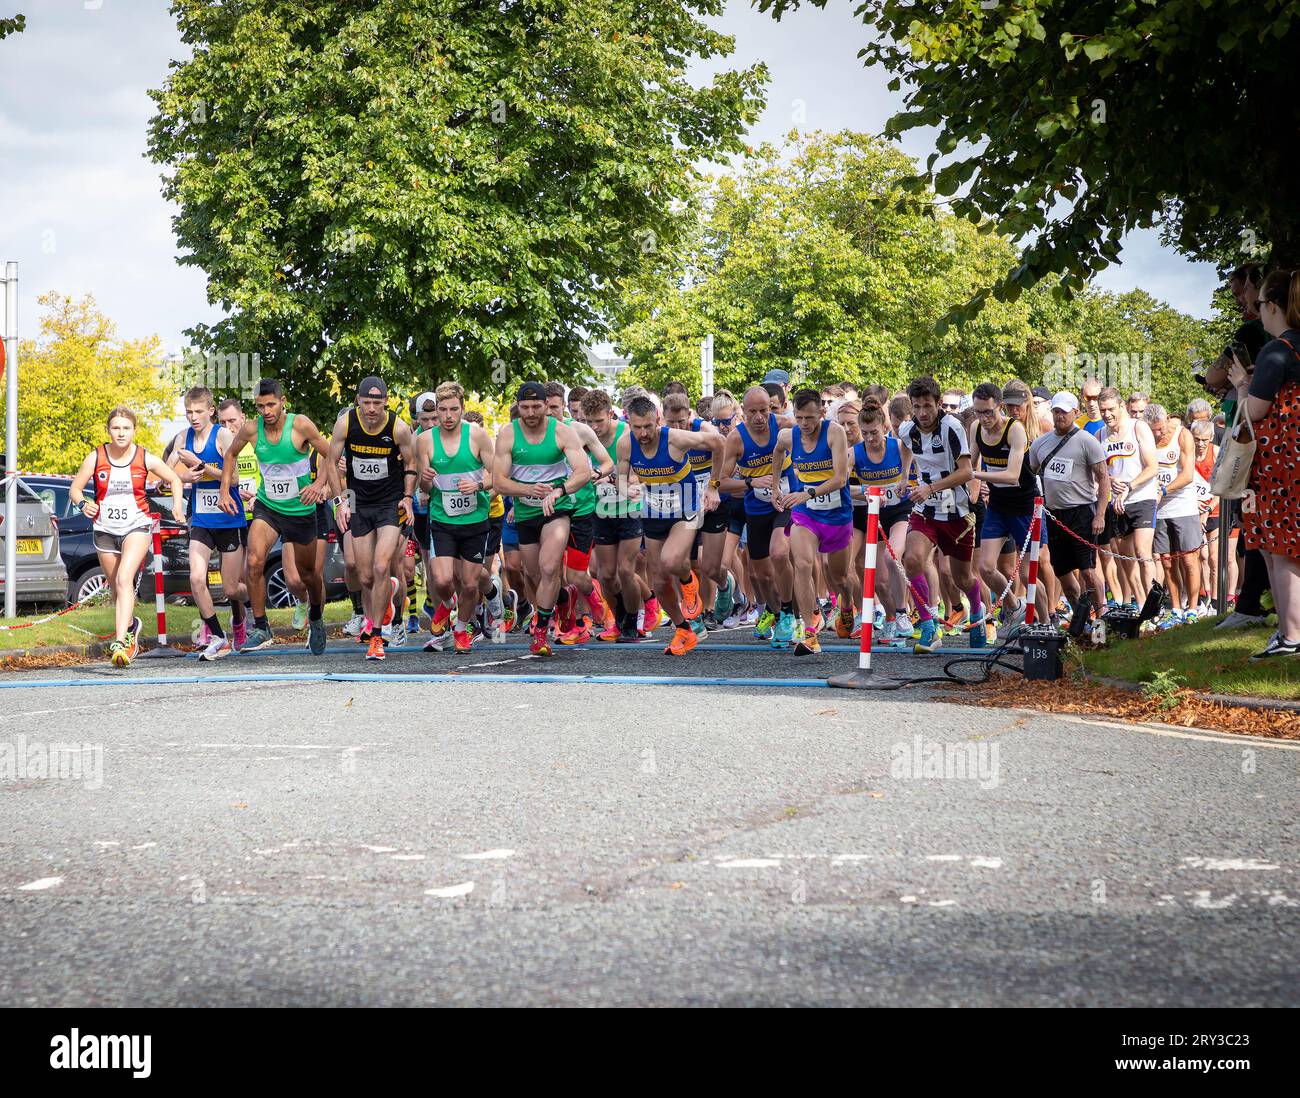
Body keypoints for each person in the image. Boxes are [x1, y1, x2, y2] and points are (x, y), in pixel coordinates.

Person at [219, 379, 339, 654]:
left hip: (301, 511)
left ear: (282, 401)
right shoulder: (251, 430)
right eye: (261, 406)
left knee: (309, 576)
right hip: (269, 506)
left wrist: (319, 485)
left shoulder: (300, 425)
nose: (266, 411)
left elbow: (330, 454)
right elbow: (230, 455)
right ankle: (261, 627)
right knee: (254, 561)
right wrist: (225, 491)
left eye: (271, 404)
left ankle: (317, 616)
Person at [69, 405, 186, 667]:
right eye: (116, 428)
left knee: (124, 579)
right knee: (117, 588)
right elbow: (75, 489)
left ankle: (120, 643)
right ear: (109, 430)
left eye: (126, 428)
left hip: (137, 525)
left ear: (134, 430)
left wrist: (177, 505)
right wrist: (83, 504)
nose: (121, 433)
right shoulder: (96, 457)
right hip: (105, 529)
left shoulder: (144, 457)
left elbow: (175, 480)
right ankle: (132, 626)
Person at [1227, 268, 1300, 660]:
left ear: (1272, 305)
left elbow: (1252, 412)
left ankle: (1291, 634)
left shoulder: (1277, 350)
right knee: (1285, 545)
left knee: (1279, 546)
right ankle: (1289, 630)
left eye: (1258, 304)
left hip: (1279, 464)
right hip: (1293, 461)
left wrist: (1242, 384)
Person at [492, 381, 592, 656]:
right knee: (532, 574)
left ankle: (540, 632)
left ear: (547, 406)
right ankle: (563, 600)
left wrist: (559, 490)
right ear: (519, 408)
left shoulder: (561, 431)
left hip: (556, 509)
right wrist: (527, 490)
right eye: (525, 407)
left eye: (537, 406)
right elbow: (498, 482)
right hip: (526, 511)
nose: (531, 412)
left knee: (549, 568)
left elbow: (583, 471)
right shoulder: (508, 434)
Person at [619, 394, 722, 655]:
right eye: (637, 427)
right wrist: (625, 489)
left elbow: (719, 443)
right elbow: (620, 478)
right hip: (654, 512)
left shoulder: (675, 439)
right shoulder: (625, 444)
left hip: (685, 508)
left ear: (658, 420)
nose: (643, 433)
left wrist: (713, 486)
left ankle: (689, 585)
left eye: (648, 426)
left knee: (671, 561)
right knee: (661, 581)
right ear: (629, 423)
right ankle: (683, 629)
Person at [328, 377, 418, 661]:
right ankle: (389, 589)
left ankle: (377, 636)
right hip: (358, 503)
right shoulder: (346, 423)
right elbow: (330, 462)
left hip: (389, 504)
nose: (370, 408)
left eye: (376, 403)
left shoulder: (398, 427)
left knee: (381, 566)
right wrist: (340, 501)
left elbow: (411, 463)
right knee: (366, 575)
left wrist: (407, 496)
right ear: (358, 400)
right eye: (366, 402)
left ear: (385, 402)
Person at [771, 389, 854, 654]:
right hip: (805, 513)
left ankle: (847, 604)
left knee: (839, 577)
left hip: (837, 514)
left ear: (821, 413)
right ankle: (809, 632)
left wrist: (808, 492)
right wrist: (775, 487)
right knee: (803, 564)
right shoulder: (788, 435)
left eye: (809, 418)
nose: (804, 424)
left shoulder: (834, 433)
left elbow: (840, 479)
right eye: (799, 418)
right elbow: (777, 451)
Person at [169, 386, 249, 660]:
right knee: (196, 578)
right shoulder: (183, 437)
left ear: (211, 411)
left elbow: (235, 478)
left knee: (230, 588)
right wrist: (182, 478)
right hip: (202, 519)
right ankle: (218, 636)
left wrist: (202, 467)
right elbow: (170, 472)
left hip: (228, 518)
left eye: (198, 412)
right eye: (189, 412)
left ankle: (254, 603)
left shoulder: (223, 435)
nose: (193, 418)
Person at [416, 381, 495, 654]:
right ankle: (447, 606)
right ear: (436, 411)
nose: (448, 416)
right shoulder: (424, 441)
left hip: (474, 520)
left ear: (462, 409)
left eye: (453, 409)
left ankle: (461, 630)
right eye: (443, 410)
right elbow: (424, 489)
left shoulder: (477, 437)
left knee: (470, 583)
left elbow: (497, 474)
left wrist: (479, 485)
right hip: (442, 519)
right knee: (441, 581)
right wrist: (424, 481)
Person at [899, 376, 977, 652]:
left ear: (938, 403)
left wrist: (930, 487)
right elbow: (905, 446)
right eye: (917, 406)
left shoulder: (952, 427)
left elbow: (967, 472)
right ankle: (928, 624)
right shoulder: (908, 429)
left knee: (960, 578)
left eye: (928, 406)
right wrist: (903, 477)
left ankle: (977, 612)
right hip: (926, 509)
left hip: (956, 510)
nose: (923, 413)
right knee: (912, 559)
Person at [717, 386, 797, 647]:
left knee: (780, 552)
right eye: (753, 412)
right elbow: (723, 482)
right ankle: (774, 611)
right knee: (761, 573)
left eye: (765, 410)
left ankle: (788, 612)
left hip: (785, 501)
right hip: (756, 507)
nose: (760, 417)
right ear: (744, 411)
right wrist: (751, 481)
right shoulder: (737, 439)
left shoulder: (784, 425)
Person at [1027, 393, 1110, 628]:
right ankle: (1080, 618)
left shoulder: (1086, 440)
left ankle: (1101, 620)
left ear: (1075, 412)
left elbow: (1103, 478)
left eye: (1064, 411)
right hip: (1054, 515)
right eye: (1056, 411)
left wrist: (1100, 513)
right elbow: (1031, 475)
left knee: (1088, 571)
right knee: (1062, 571)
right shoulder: (1040, 444)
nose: (1060, 416)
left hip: (1082, 512)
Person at [967, 383, 1034, 640]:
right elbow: (968, 463)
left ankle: (1046, 618)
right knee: (985, 567)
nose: (984, 419)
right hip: (997, 505)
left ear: (1000, 407)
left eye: (988, 412)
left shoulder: (1014, 430)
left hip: (1024, 506)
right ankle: (1014, 607)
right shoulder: (976, 428)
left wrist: (975, 475)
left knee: (1030, 572)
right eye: (979, 412)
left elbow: (1011, 474)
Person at [581, 387, 644, 642]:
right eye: (589, 421)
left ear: (611, 414)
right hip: (600, 511)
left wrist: (612, 478)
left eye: (599, 420)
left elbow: (640, 471)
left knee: (626, 571)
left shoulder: (626, 434)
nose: (594, 427)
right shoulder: (583, 437)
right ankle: (618, 620)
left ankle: (632, 620)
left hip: (629, 508)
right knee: (606, 575)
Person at [848, 399, 913, 639]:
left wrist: (905, 479)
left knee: (891, 556)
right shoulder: (854, 453)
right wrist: (864, 492)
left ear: (884, 428)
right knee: (876, 575)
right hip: (874, 514)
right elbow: (841, 486)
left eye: (874, 432)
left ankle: (903, 613)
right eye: (864, 433)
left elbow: (915, 471)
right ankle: (891, 617)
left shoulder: (898, 446)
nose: (870, 438)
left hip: (899, 512)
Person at [1097, 386, 1160, 606]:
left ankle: (1155, 602)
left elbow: (1153, 467)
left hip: (1141, 496)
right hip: (1117, 502)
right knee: (1126, 559)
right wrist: (1109, 481)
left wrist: (1129, 487)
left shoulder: (1138, 427)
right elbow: (1100, 473)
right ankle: (1141, 605)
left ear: (1122, 406)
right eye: (1103, 410)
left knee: (1143, 552)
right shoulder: (1100, 435)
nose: (1107, 415)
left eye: (1111, 409)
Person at [1145, 403, 1203, 626]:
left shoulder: (1182, 435)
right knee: (1167, 561)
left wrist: (1164, 490)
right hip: (1160, 509)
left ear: (1168, 418)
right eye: (1153, 430)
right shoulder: (1147, 436)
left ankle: (1193, 608)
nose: (1158, 433)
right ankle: (1176, 608)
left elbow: (1188, 475)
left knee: (1189, 559)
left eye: (1160, 428)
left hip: (1183, 506)